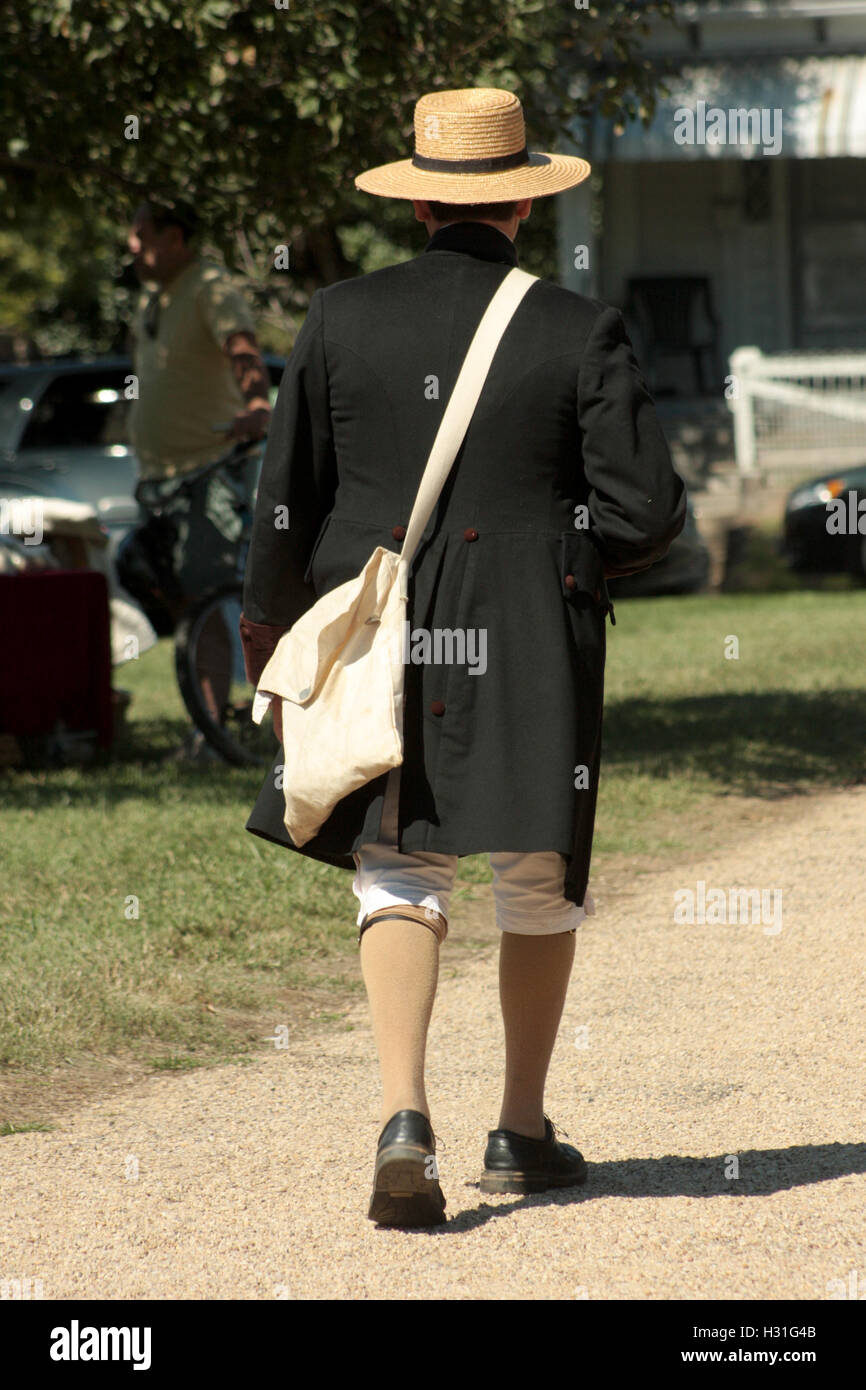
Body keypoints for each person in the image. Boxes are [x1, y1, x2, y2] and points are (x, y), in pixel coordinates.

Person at [239, 88, 687, 1226]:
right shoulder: (576, 325)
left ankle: (404, 1119)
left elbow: (284, 508)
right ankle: (520, 1130)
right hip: (533, 629)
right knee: (535, 877)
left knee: (397, 865)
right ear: (527, 196)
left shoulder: (338, 317)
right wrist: (573, 559)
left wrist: (271, 639)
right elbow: (642, 515)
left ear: (418, 198)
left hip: (382, 627)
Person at [126, 197, 272, 756]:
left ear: (175, 236)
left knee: (208, 594)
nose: (133, 245)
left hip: (204, 472)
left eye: (143, 234)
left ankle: (222, 733)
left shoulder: (209, 285)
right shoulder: (153, 296)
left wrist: (258, 401)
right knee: (186, 603)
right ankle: (206, 727)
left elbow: (242, 344)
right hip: (158, 478)